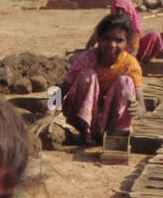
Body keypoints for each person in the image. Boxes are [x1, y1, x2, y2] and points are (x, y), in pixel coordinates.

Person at [61, 14, 147, 145]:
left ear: (127, 44)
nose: (112, 44)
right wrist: (48, 113)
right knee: (87, 75)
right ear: (99, 40)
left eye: (119, 40)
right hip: (80, 117)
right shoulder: (86, 59)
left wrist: (138, 110)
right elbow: (61, 89)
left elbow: (142, 108)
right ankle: (85, 133)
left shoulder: (130, 64)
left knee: (126, 82)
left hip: (110, 120)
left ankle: (116, 137)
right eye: (107, 38)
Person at [84, 0, 163, 65]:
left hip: (127, 57)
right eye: (117, 9)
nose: (119, 13)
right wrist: (90, 56)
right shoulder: (108, 22)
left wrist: (125, 63)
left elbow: (134, 50)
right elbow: (91, 42)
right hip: (109, 55)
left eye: (123, 10)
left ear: (129, 10)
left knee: (154, 34)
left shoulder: (133, 27)